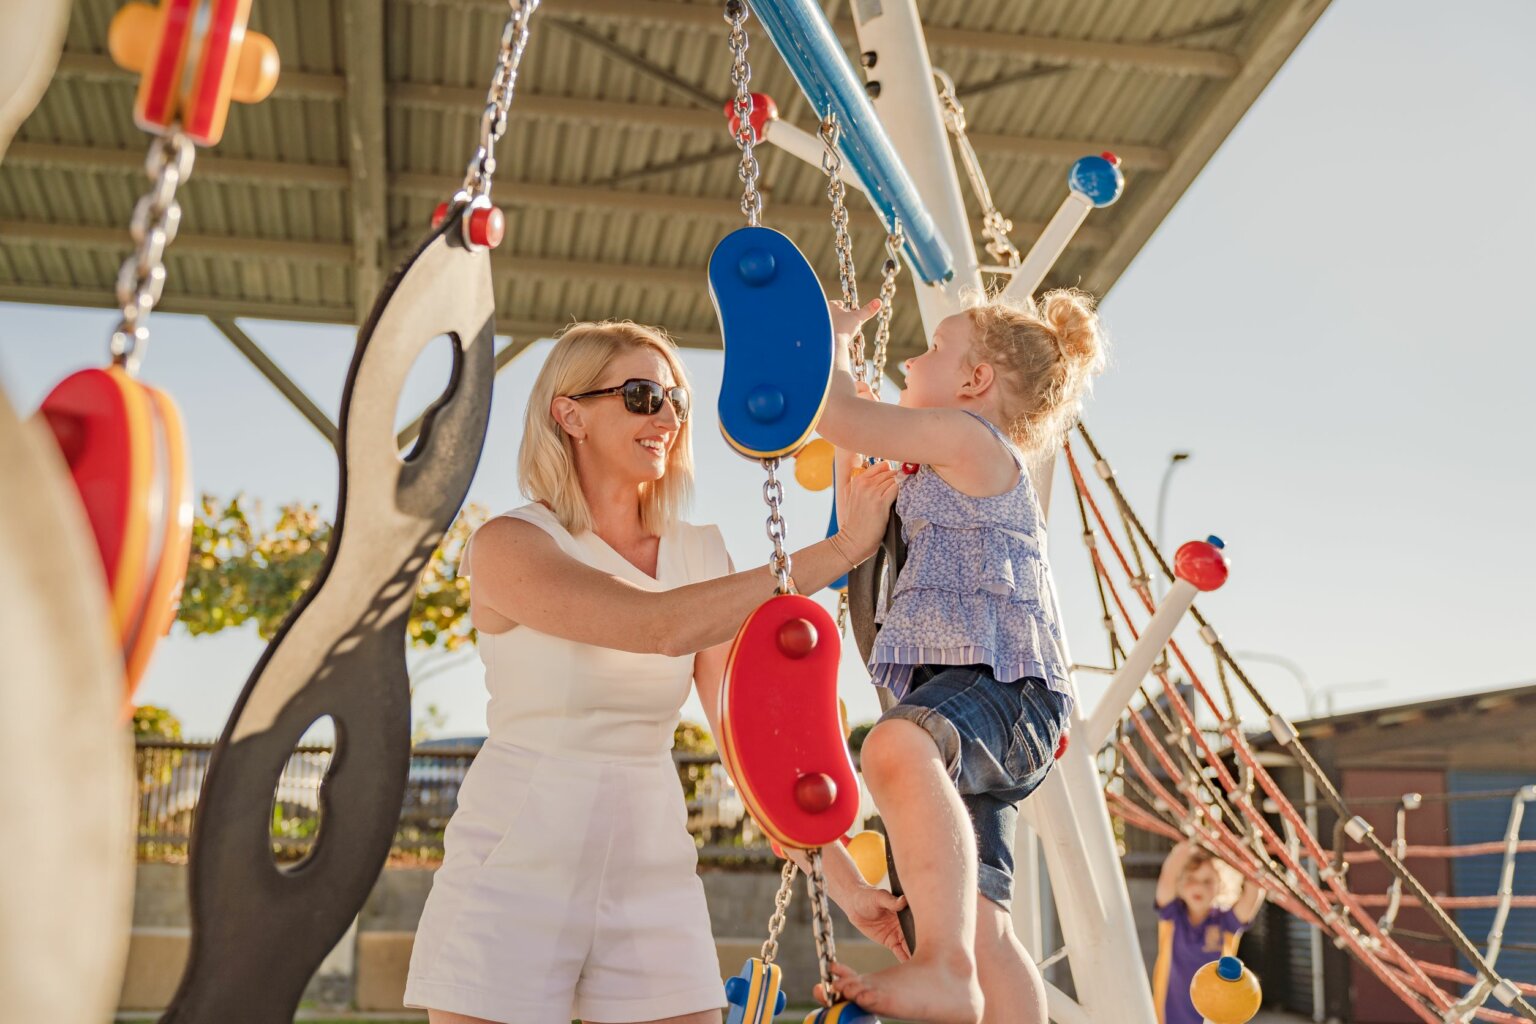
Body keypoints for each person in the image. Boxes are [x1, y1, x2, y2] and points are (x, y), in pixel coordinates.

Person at [404, 320, 906, 1024]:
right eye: (642, 395)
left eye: (676, 398)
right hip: (517, 858)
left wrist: (844, 882)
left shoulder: (699, 553)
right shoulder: (510, 544)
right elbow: (656, 626)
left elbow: (747, 736)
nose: (667, 416)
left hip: (651, 854)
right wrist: (844, 547)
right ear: (568, 412)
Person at [802, 291, 1108, 1024]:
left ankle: (943, 969)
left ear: (975, 383)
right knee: (982, 920)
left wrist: (837, 345)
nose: (912, 358)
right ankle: (962, 960)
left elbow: (831, 409)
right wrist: (855, 447)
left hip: (1002, 690)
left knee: (894, 746)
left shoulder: (969, 441)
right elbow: (855, 528)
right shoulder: (933, 466)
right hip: (977, 703)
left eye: (933, 348)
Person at [1153, 841, 1266, 1024]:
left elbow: (1252, 895)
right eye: (1191, 879)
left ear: (1221, 885)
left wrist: (1247, 857)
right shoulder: (1173, 916)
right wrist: (1191, 843)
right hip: (1170, 1014)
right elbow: (1168, 876)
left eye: (1207, 881)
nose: (1199, 886)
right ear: (1180, 883)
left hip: (1214, 1014)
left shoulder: (1225, 921)